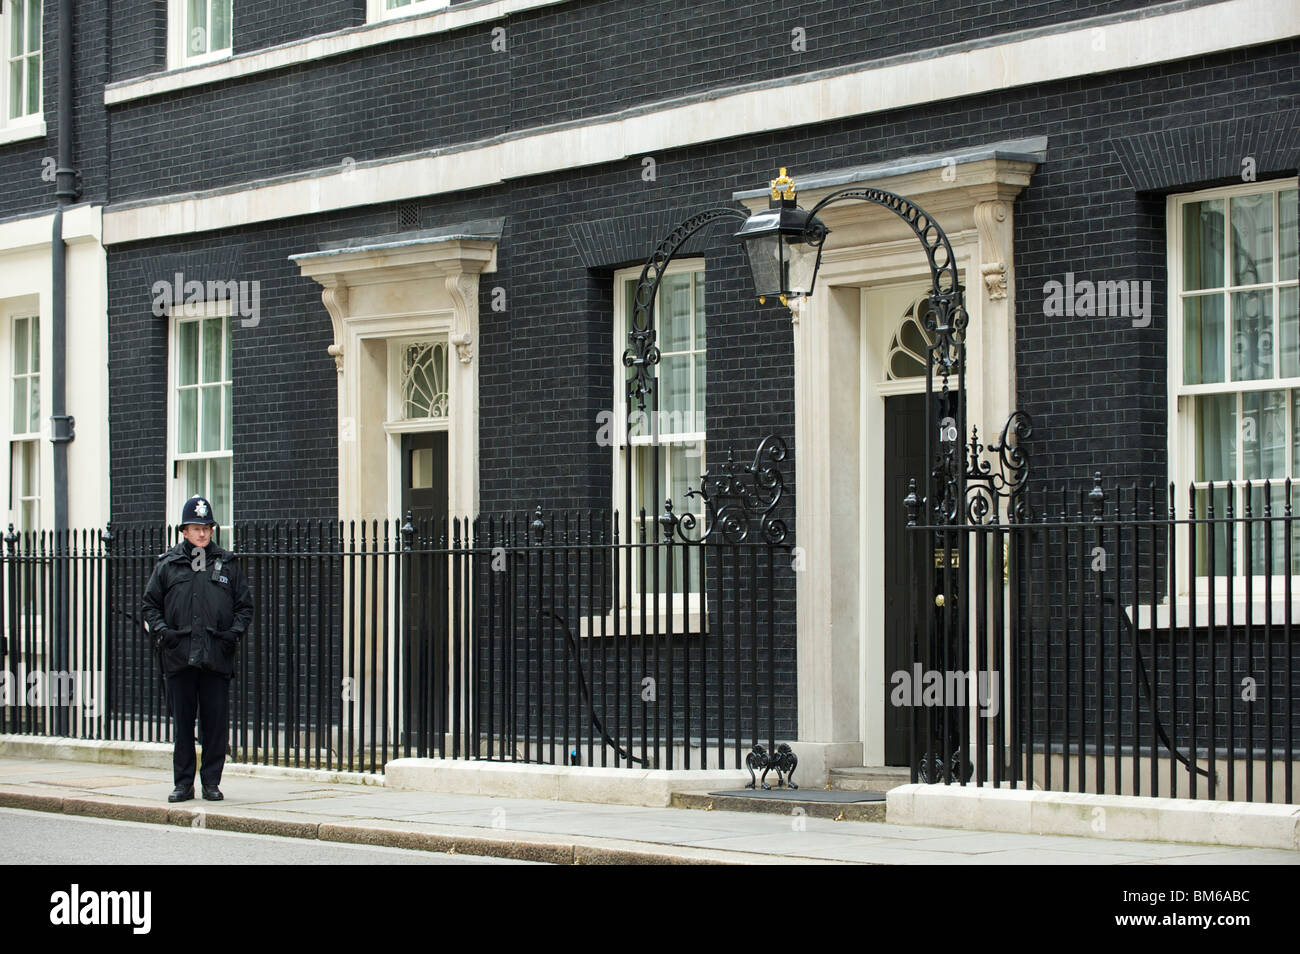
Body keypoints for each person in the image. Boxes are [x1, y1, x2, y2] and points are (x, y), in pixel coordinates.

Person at [141, 494, 253, 802]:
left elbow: (245, 607)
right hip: (179, 656)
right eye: (195, 528)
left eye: (206, 528)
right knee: (182, 726)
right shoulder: (168, 565)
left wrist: (233, 633)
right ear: (184, 531)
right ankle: (183, 783)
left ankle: (211, 782)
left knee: (215, 725)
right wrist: (165, 633)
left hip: (216, 656)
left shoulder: (228, 564)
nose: (202, 534)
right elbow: (150, 606)